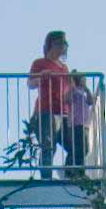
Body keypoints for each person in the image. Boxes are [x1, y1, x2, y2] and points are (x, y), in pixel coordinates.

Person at [25, 29, 90, 176]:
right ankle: (46, 179)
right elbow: (30, 84)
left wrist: (79, 88)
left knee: (77, 146)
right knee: (49, 146)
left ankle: (71, 173)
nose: (63, 46)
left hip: (65, 113)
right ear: (51, 44)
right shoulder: (40, 63)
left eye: (64, 43)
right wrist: (41, 77)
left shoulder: (64, 67)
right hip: (47, 110)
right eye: (60, 43)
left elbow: (69, 89)